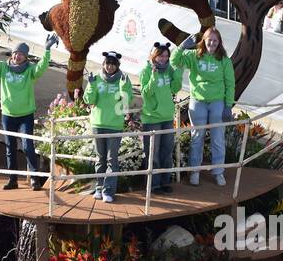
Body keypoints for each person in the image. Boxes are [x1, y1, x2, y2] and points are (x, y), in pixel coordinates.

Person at [0, 30, 56, 190]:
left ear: (26, 57)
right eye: (15, 53)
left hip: (26, 115)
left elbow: (41, 68)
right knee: (10, 148)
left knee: (28, 146)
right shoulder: (2, 68)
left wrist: (47, 50)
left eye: (21, 54)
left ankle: (35, 179)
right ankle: (12, 179)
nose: (17, 56)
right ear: (11, 54)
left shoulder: (30, 71)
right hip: (8, 115)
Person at [139, 39, 192, 194]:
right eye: (160, 56)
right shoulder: (146, 71)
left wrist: (179, 71)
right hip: (152, 118)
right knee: (153, 154)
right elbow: (146, 94)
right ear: (154, 56)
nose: (163, 58)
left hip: (167, 117)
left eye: (166, 56)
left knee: (166, 152)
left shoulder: (169, 69)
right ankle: (153, 185)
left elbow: (175, 88)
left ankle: (164, 182)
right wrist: (154, 78)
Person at [185, 27, 235, 186]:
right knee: (197, 137)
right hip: (198, 101)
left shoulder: (224, 60)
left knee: (218, 139)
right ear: (204, 41)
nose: (212, 43)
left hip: (217, 103)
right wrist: (182, 46)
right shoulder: (194, 56)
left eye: (215, 40)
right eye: (209, 40)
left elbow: (230, 84)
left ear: (219, 42)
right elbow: (174, 60)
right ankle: (194, 171)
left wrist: (228, 106)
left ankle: (218, 172)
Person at [83, 51, 133, 203]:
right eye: (107, 63)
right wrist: (91, 85)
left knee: (112, 160)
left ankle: (109, 191)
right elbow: (88, 99)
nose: (110, 67)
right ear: (103, 64)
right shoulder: (96, 79)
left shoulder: (123, 80)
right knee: (100, 159)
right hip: (98, 123)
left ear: (117, 66)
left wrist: (124, 87)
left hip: (114, 125)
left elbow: (125, 102)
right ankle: (98, 188)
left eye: (113, 64)